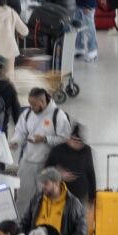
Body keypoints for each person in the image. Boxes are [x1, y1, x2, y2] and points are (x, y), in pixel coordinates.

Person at [12, 88, 71, 221]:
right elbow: (20, 131)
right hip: (27, 161)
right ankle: (21, 223)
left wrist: (45, 139)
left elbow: (65, 139)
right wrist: (15, 142)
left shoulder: (57, 116)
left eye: (34, 104)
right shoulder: (27, 114)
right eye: (29, 103)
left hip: (46, 164)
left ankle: (46, 222)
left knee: (46, 196)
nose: (31, 107)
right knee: (23, 195)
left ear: (42, 101)